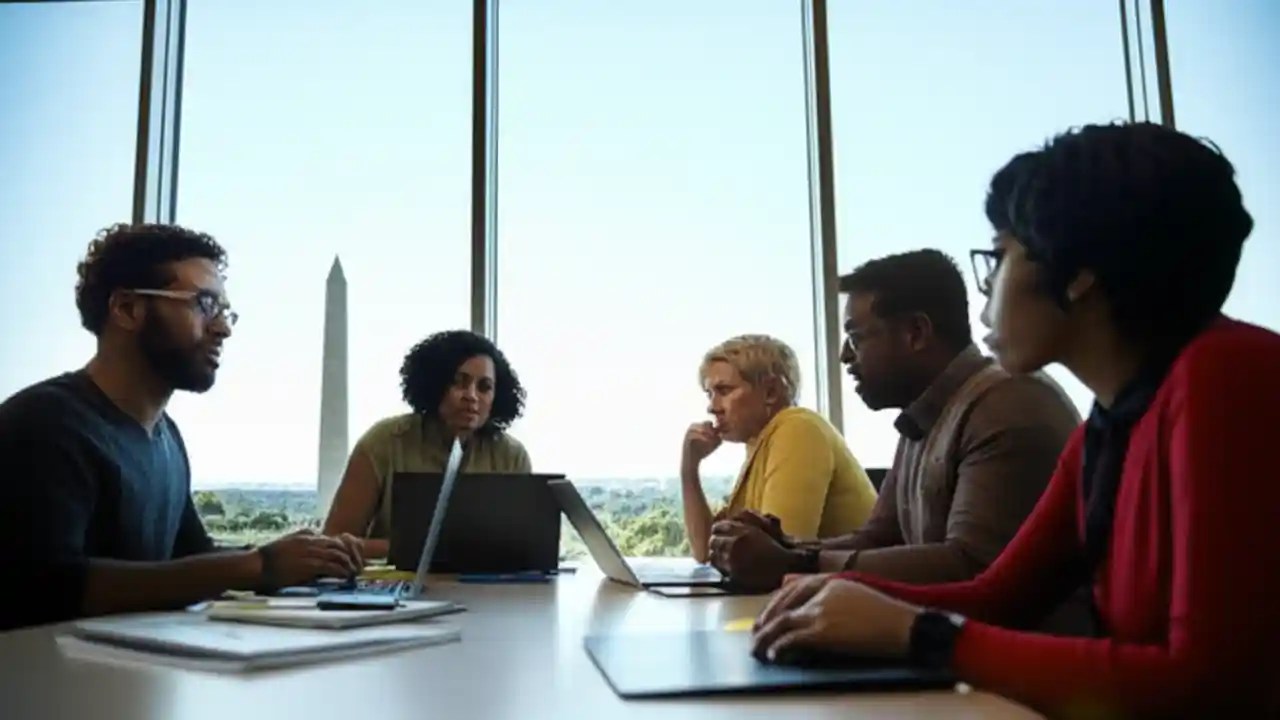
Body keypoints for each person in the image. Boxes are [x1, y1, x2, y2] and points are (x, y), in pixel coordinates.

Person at [751, 123, 1280, 717]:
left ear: (1077, 272)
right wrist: (837, 592)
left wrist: (918, 632)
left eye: (999, 257)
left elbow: (1210, 687)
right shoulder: (1108, 425)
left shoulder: (1228, 373)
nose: (988, 290)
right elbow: (998, 595)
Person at [0, 223, 362, 632]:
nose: (223, 328)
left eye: (225, 312)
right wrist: (259, 564)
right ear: (126, 309)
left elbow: (194, 558)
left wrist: (307, 557)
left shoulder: (165, 437)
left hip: (123, 681)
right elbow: (47, 586)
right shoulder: (44, 424)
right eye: (204, 304)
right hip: (44, 688)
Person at [708, 250, 1083, 614]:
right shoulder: (927, 414)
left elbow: (970, 566)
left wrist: (796, 563)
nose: (844, 356)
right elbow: (880, 538)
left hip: (1022, 667)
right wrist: (788, 547)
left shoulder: (1006, 402)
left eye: (856, 337)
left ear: (916, 332)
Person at [324, 330, 531, 558]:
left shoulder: (511, 456)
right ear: (434, 384)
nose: (471, 396)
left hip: (483, 590)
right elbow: (333, 544)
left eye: (484, 387)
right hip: (392, 587)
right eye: (459, 382)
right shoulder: (384, 443)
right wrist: (419, 550)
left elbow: (521, 549)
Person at [681, 334, 876, 564]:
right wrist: (689, 469)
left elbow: (772, 559)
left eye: (724, 391)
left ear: (771, 392)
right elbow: (707, 551)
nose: (712, 407)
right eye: (710, 394)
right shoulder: (761, 443)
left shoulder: (798, 428)